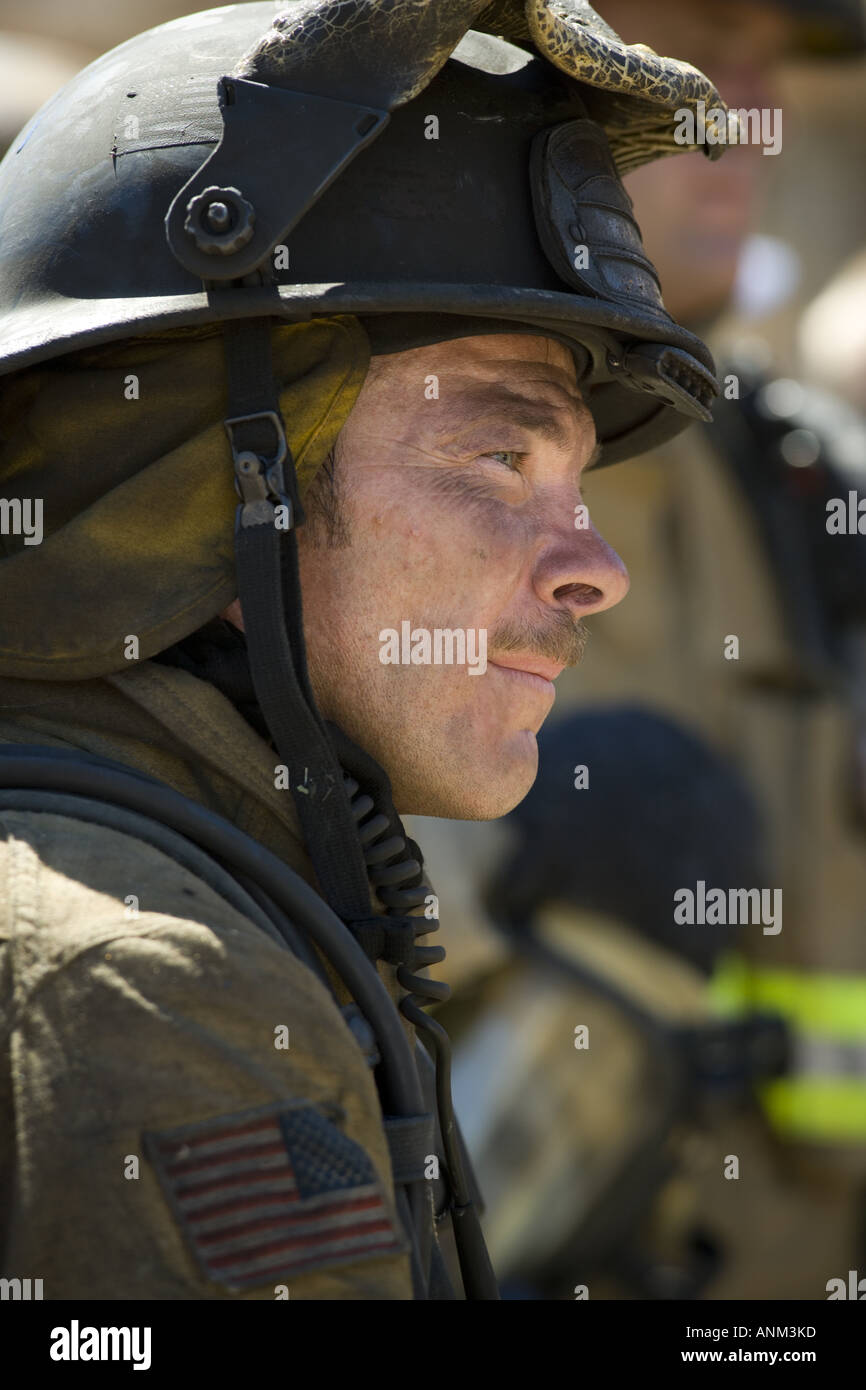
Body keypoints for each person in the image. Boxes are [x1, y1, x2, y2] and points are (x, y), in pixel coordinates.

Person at [0, 1, 730, 1300]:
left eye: (578, 482)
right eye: (500, 456)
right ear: (200, 494)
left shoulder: (201, 902)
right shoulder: (155, 990)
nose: (595, 568)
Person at [414, 0, 866, 1300]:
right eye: (696, 43)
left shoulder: (786, 480)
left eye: (767, 62)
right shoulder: (375, 463)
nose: (744, 107)